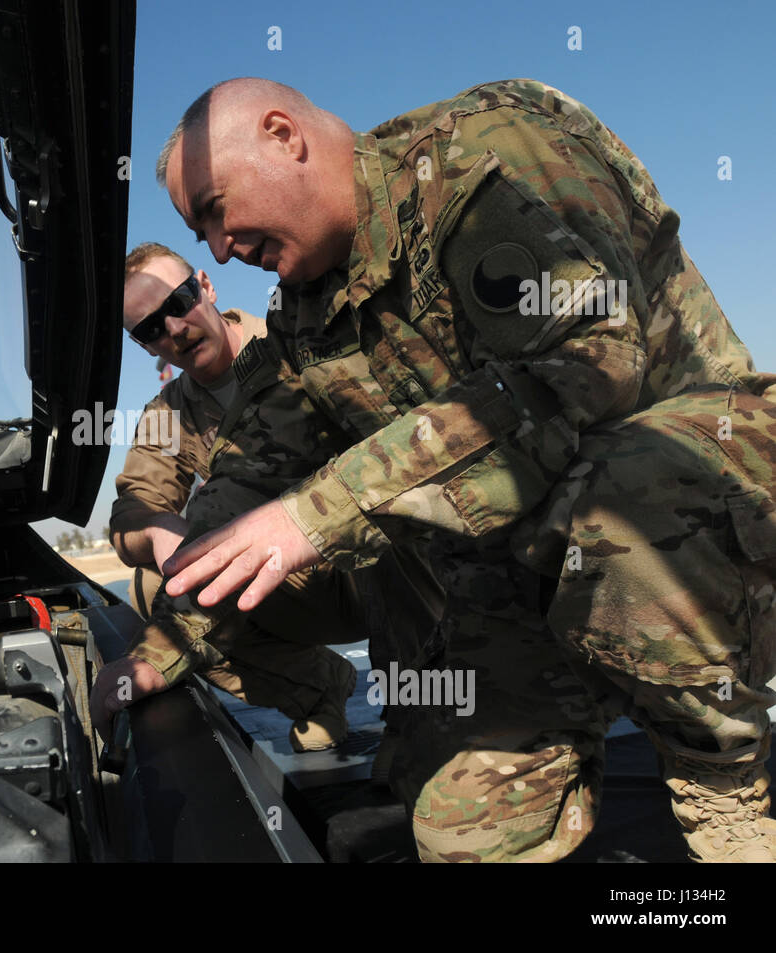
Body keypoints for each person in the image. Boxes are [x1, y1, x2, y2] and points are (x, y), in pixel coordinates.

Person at [153, 77, 776, 863]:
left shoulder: (482, 158)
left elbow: (585, 359)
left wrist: (317, 512)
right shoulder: (305, 317)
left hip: (704, 489)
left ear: (283, 133)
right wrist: (158, 647)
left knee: (619, 489)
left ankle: (717, 768)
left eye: (214, 207)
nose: (218, 249)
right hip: (526, 562)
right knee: (462, 834)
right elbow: (250, 474)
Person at [92, 241, 445, 759]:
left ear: (206, 287)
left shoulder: (291, 343)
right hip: (291, 591)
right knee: (156, 580)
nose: (173, 329)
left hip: (377, 563)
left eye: (179, 302)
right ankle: (319, 688)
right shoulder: (170, 412)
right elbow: (130, 511)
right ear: (144, 345)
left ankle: (429, 714)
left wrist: (156, 654)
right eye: (149, 329)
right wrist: (158, 530)